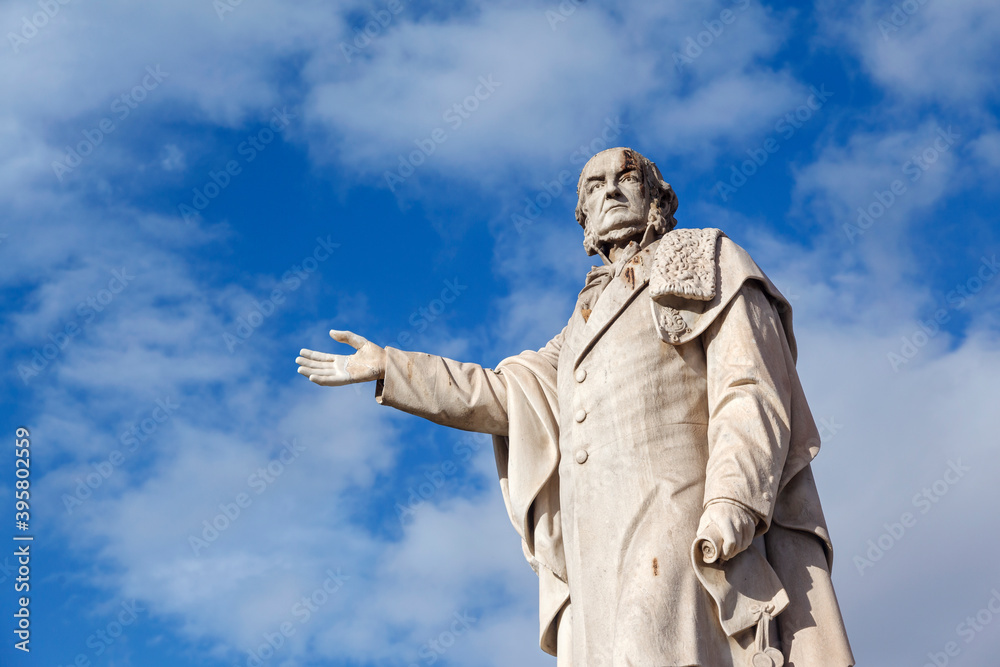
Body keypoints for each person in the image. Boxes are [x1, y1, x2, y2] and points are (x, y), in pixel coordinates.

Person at [296, 148, 854, 666]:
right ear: (583, 221)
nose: (611, 191)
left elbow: (750, 386)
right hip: (593, 550)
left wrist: (734, 496)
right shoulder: (576, 330)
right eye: (594, 186)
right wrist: (390, 367)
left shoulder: (704, 257)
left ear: (658, 201)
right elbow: (496, 394)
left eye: (627, 178)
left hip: (676, 516)